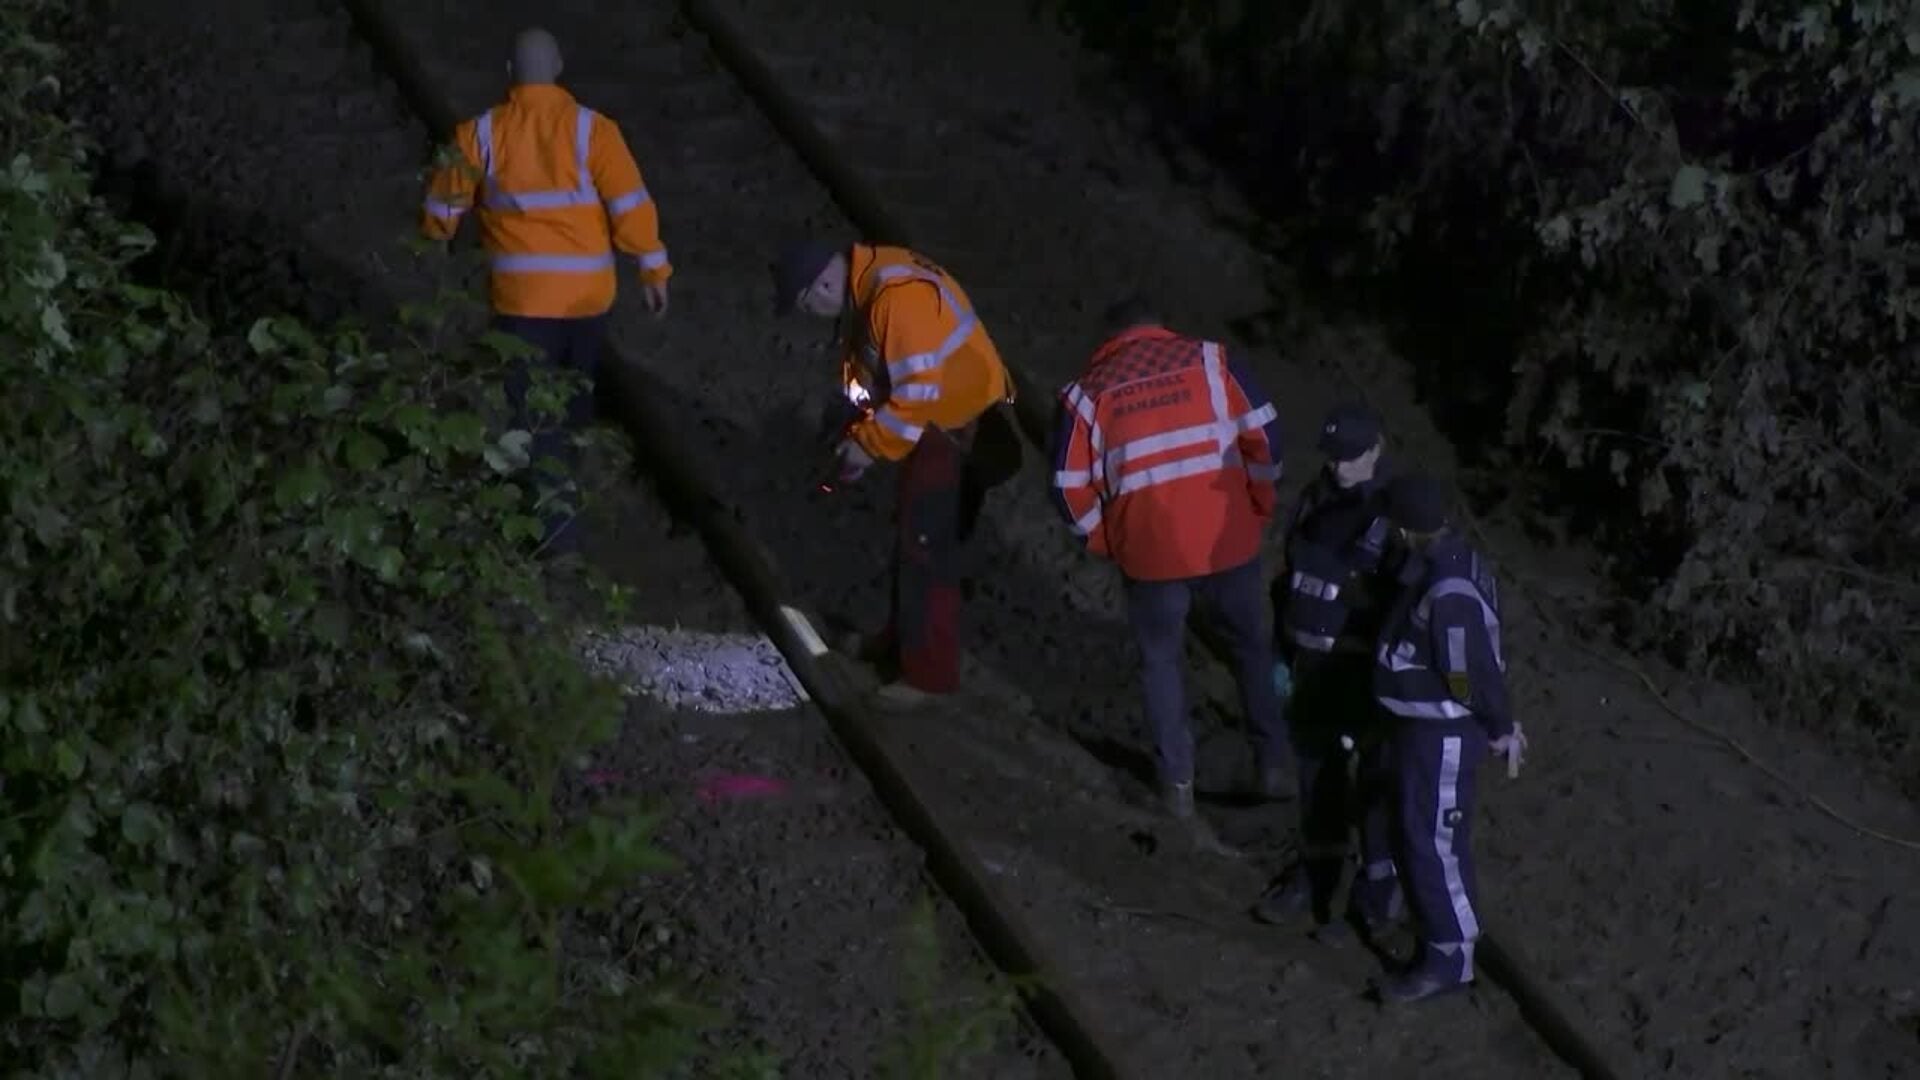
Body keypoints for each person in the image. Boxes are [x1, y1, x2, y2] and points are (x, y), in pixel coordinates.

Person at [420, 27, 672, 555]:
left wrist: (437, 239)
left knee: (533, 415)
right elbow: (630, 205)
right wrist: (653, 271)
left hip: (523, 303)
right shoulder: (593, 130)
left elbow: (443, 206)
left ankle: (555, 533)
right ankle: (564, 501)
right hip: (587, 300)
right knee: (574, 404)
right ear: (558, 67)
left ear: (510, 73)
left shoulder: (480, 134)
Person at [1049, 297, 1286, 820]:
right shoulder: (1214, 362)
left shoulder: (1085, 396)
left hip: (1150, 557)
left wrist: (1106, 541)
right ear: (1160, 329)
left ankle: (1177, 785)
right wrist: (1259, 506)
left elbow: (1067, 488)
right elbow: (1266, 438)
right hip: (1227, 541)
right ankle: (1274, 764)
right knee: (1251, 649)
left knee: (1161, 663)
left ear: (1110, 340)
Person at [771, 239, 1017, 710]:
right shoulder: (870, 286)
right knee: (914, 536)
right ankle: (900, 641)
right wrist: (855, 427)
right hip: (941, 421)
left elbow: (917, 394)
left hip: (953, 424)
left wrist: (868, 446)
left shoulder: (895, 299)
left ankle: (928, 675)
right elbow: (875, 371)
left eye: (806, 305)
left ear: (823, 285)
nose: (810, 316)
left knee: (927, 545)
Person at [1370, 472, 1528, 1003]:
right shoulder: (1449, 562)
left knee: (1434, 845)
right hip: (1424, 729)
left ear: (1406, 529)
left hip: (1441, 735)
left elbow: (1469, 675)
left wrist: (1499, 727)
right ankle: (1430, 930)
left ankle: (1450, 957)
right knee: (1416, 832)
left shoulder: (1447, 590)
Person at [1253, 402, 1406, 930]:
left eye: (1351, 456)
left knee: (1376, 787)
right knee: (1318, 779)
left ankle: (1377, 892)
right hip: (1313, 669)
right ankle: (1315, 877)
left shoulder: (1392, 517)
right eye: (1334, 456)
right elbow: (1289, 580)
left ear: (1376, 450)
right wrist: (1281, 655)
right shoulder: (1316, 498)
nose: (1339, 466)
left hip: (1364, 678)